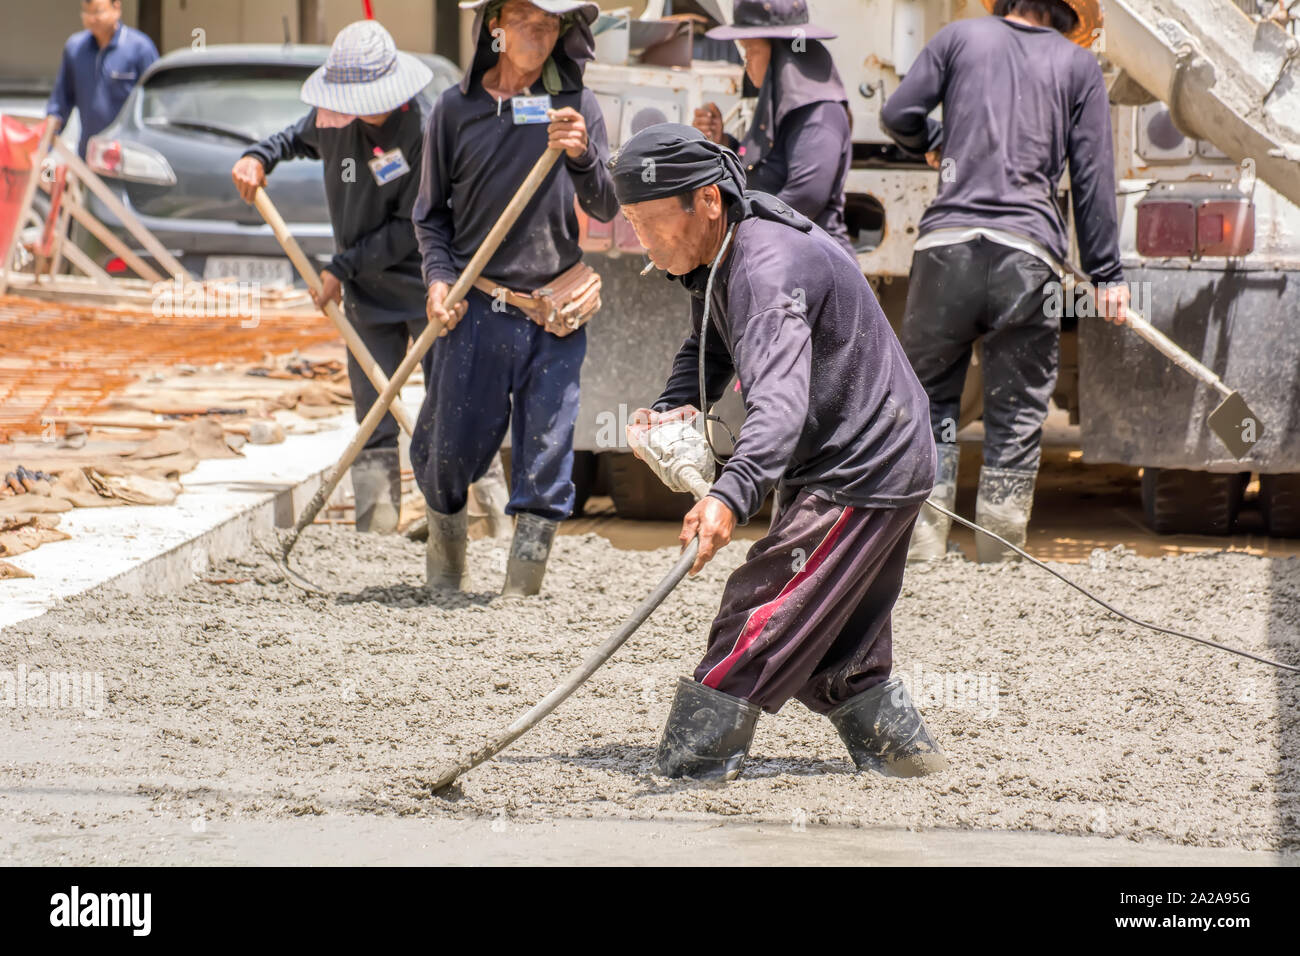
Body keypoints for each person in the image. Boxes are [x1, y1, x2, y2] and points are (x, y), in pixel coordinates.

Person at [612, 124, 948, 782]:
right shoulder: (729, 249)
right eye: (632, 224)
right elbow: (708, 347)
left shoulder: (765, 267)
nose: (644, 245)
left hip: (863, 463)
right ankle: (910, 763)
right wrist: (675, 402)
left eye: (651, 224)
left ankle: (693, 766)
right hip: (863, 452)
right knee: (842, 650)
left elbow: (781, 406)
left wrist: (727, 496)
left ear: (707, 201)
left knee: (762, 607)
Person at [880, 0, 1127, 563]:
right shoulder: (1078, 67)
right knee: (1015, 407)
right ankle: (998, 551)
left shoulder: (958, 39)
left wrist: (935, 140)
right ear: (1071, 17)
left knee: (931, 398)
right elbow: (1092, 175)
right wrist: (1107, 273)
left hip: (946, 252)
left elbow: (898, 115)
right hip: (1026, 257)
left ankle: (922, 547)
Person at [412, 0, 617, 597]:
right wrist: (438, 281)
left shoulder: (576, 108)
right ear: (495, 26)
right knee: (448, 447)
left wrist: (581, 156)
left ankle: (521, 593)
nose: (539, 32)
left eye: (551, 23)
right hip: (477, 308)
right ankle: (445, 571)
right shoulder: (455, 111)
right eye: (527, 19)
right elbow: (429, 218)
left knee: (548, 451)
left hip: (554, 312)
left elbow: (606, 204)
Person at [232, 20, 433, 534]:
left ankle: (461, 523)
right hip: (368, 292)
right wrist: (258, 157)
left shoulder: (423, 130)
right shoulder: (333, 118)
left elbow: (408, 229)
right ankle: (376, 530)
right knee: (373, 418)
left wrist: (336, 269)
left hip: (430, 285)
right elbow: (287, 139)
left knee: (447, 408)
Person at [691, 0, 854, 254]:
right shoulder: (779, 108)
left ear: (782, 53)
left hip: (813, 259)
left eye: (751, 51)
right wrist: (722, 142)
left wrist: (729, 221)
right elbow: (759, 172)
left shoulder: (819, 112)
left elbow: (806, 197)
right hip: (778, 251)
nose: (746, 62)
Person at [46, 0, 159, 157]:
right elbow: (60, 104)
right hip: (89, 158)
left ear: (116, 7)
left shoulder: (140, 48)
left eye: (97, 12)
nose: (91, 19)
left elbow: (156, 105)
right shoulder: (76, 49)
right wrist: (43, 148)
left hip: (129, 159)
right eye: (86, 12)